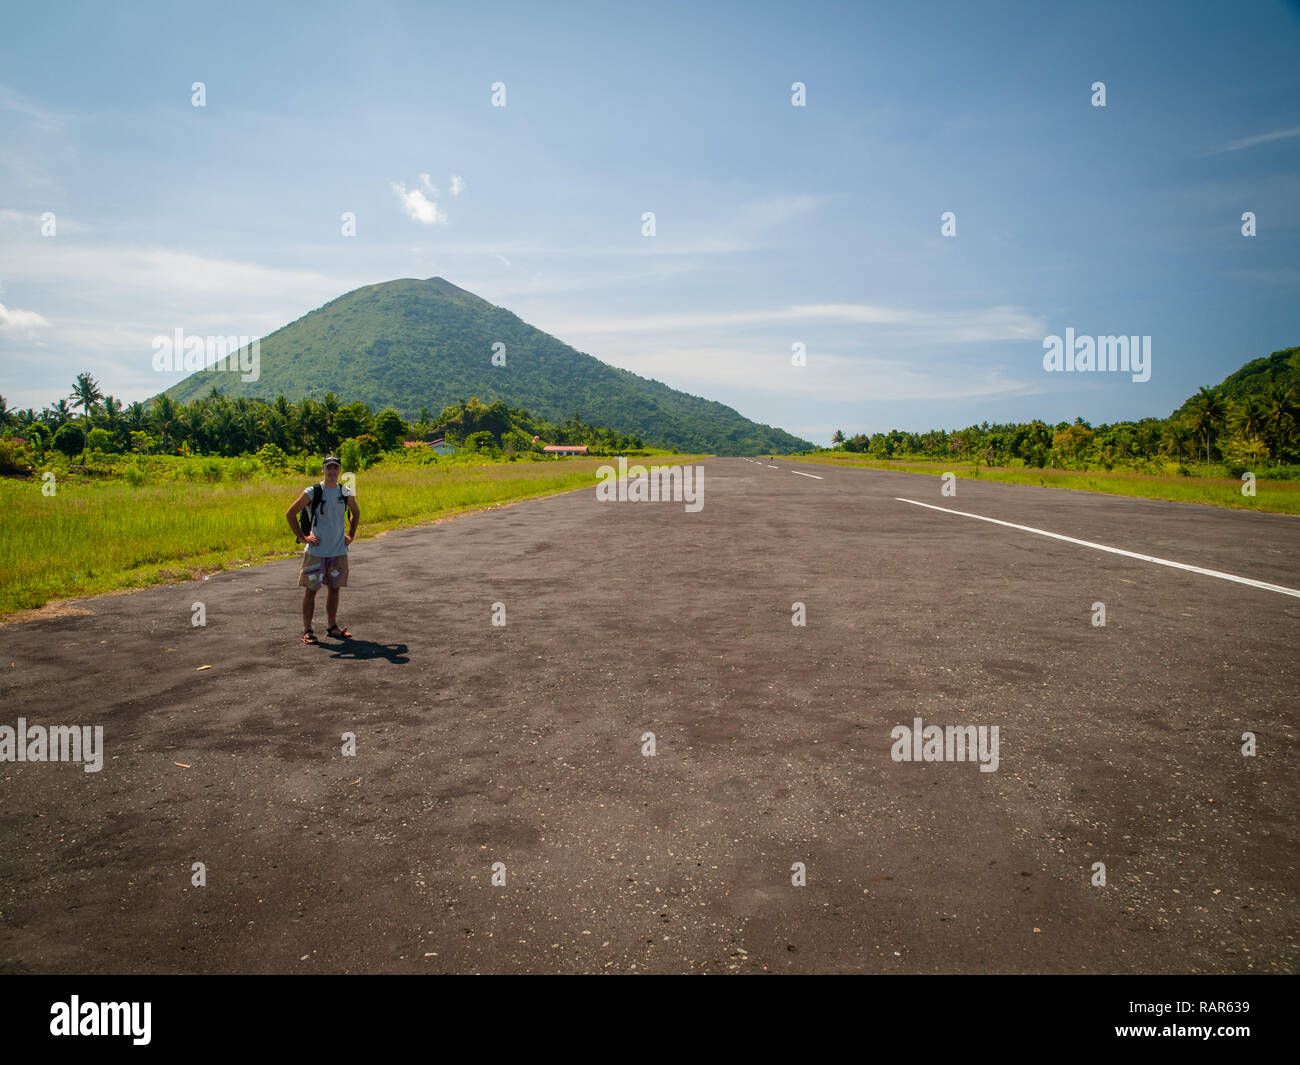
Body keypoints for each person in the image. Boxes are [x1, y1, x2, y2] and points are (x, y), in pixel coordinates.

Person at [286, 455, 359, 644]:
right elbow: (290, 513)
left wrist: (350, 535)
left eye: (336, 467)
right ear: (323, 469)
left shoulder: (345, 491)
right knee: (311, 590)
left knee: (334, 589)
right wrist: (303, 537)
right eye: (329, 467)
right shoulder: (313, 491)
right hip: (316, 553)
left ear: (339, 470)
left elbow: (356, 513)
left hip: (338, 552)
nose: (332, 471)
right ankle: (307, 629)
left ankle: (332, 626)